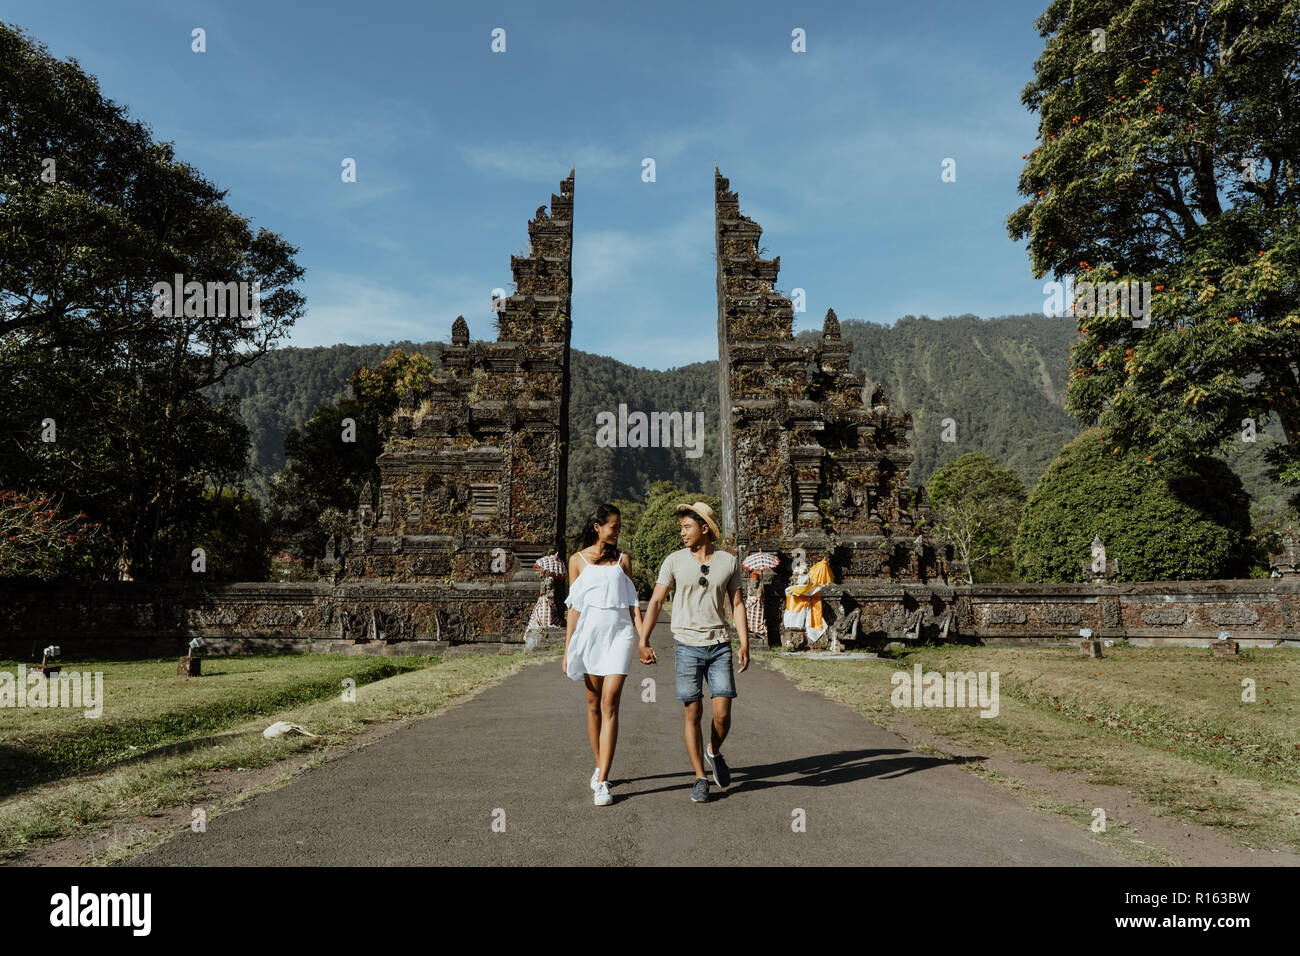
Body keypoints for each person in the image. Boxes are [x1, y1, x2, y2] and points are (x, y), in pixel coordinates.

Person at [638, 501, 748, 803]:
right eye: (681, 527)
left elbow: (737, 604)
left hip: (720, 645)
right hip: (687, 646)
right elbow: (657, 601)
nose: (682, 532)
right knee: (693, 712)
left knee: (723, 713)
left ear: (704, 528)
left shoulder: (728, 561)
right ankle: (700, 777)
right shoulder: (673, 560)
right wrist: (643, 639)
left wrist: (745, 642)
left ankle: (713, 751)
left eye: (687, 527)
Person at [563, 503, 643, 807]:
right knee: (593, 704)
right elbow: (575, 608)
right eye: (614, 527)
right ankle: (600, 768)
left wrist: (642, 639)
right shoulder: (577, 561)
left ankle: (602, 781)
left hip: (619, 634)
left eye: (619, 527)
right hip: (590, 635)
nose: (618, 532)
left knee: (611, 701)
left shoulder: (623, 560)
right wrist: (568, 648)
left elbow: (633, 603)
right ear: (598, 526)